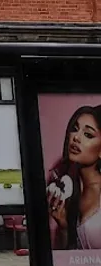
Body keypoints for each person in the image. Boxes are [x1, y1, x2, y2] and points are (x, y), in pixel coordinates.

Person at [48, 105, 101, 248]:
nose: (76, 138)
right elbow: (69, 260)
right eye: (75, 129)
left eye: (88, 135)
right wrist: (64, 227)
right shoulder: (71, 190)